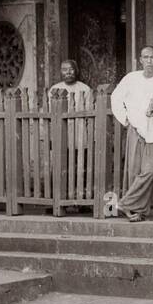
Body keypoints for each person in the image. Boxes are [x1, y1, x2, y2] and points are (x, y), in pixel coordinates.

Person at [110, 46, 153, 222]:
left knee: (148, 171)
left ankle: (123, 203)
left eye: (152, 57)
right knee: (134, 171)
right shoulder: (131, 79)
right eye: (145, 57)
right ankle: (136, 212)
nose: (149, 60)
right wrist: (125, 119)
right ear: (140, 60)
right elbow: (116, 98)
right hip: (135, 129)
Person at [49, 59, 93, 199]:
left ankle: (81, 201)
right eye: (64, 69)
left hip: (80, 134)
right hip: (62, 134)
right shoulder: (54, 89)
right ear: (61, 72)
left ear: (76, 70)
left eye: (71, 69)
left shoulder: (85, 89)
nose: (68, 72)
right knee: (60, 168)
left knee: (81, 167)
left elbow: (89, 113)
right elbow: (51, 114)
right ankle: (58, 199)